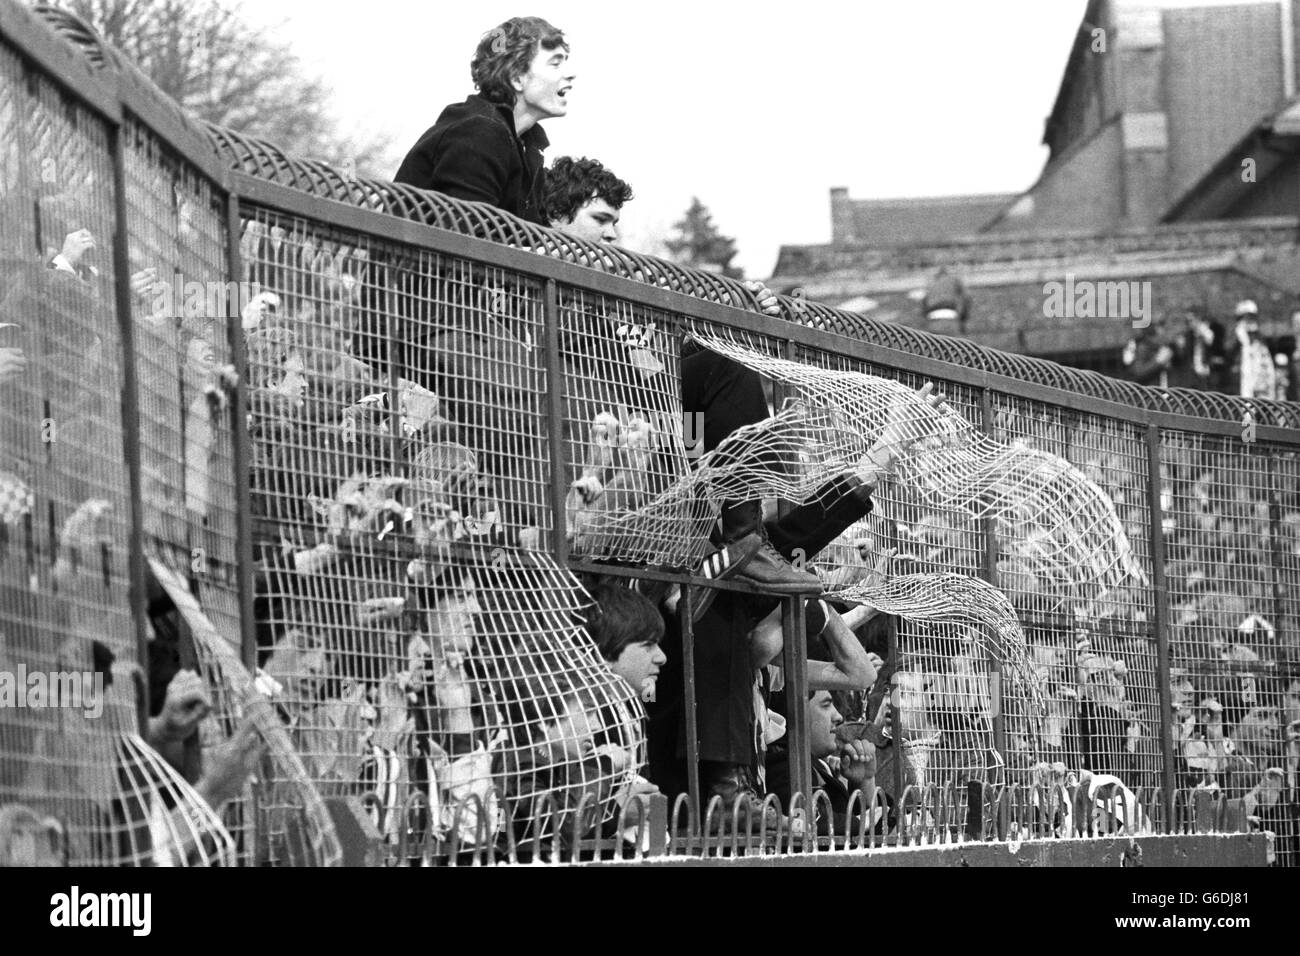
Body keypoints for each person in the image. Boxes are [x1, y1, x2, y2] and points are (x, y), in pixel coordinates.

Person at [394, 17, 572, 224]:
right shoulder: (480, 132)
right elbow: (469, 239)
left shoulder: (527, 145)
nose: (571, 74)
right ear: (516, 77)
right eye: (556, 63)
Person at [763, 689, 877, 836]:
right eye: (826, 705)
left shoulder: (815, 765)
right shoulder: (784, 766)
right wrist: (862, 822)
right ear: (796, 715)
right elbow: (802, 822)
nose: (838, 716)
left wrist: (865, 782)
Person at [583, 581, 668, 702]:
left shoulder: (618, 714)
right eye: (648, 645)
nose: (662, 658)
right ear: (604, 655)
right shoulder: (578, 716)